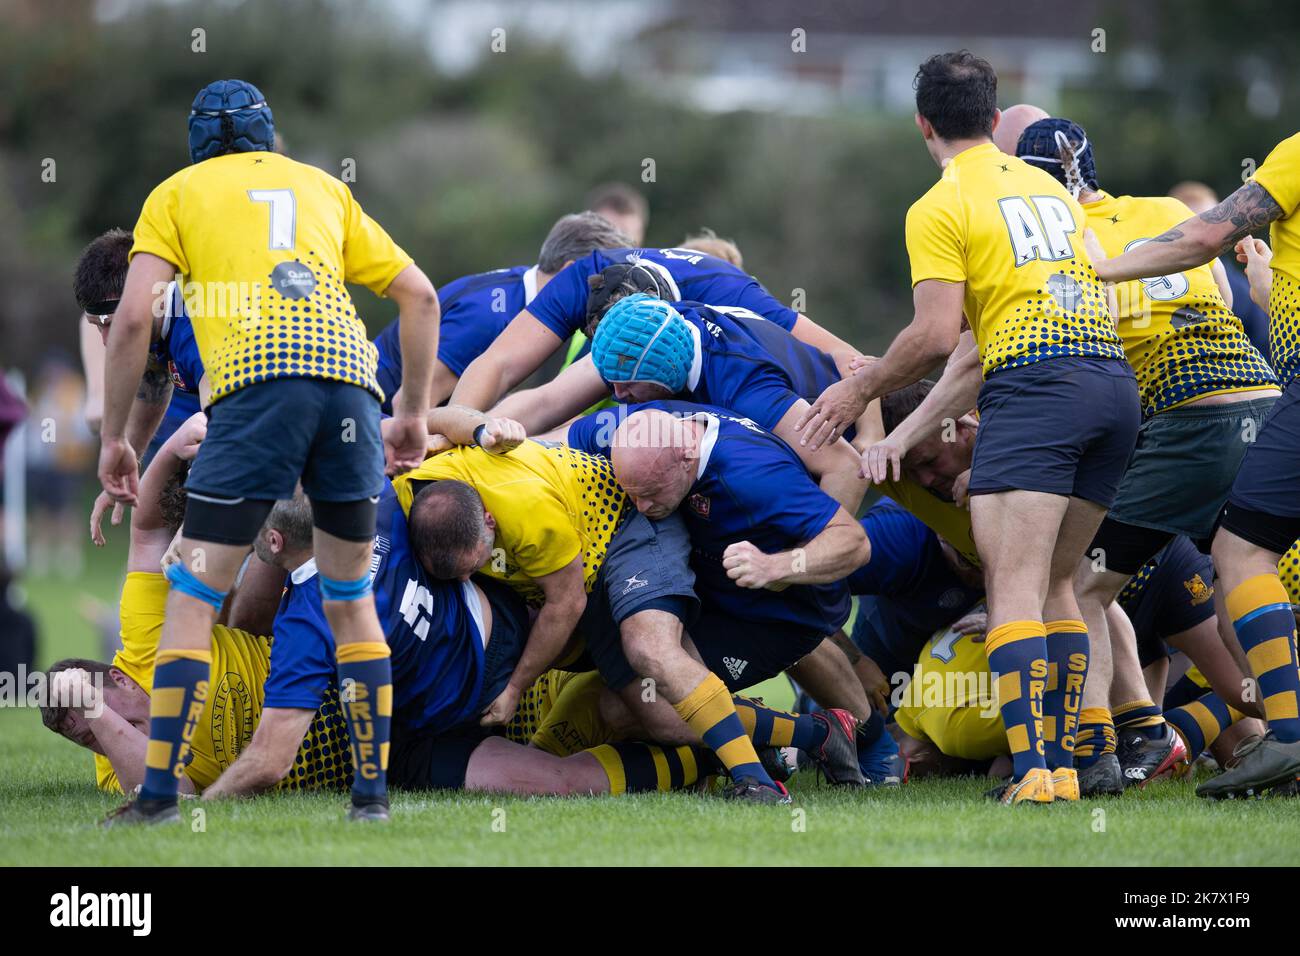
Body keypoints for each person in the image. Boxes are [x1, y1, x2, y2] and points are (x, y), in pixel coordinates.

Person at [96, 79, 439, 825]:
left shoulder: (175, 194)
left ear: (196, 141)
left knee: (191, 592)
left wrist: (114, 437)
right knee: (349, 596)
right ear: (268, 135)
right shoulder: (322, 187)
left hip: (256, 384)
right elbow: (420, 297)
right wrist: (411, 412)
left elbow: (130, 322)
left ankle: (157, 797)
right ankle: (372, 799)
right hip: (352, 386)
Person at [801, 52, 1138, 804]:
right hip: (1112, 388)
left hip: (1040, 391)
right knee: (1059, 580)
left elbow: (931, 334)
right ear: (995, 121)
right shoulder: (1050, 188)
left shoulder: (938, 205)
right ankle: (1083, 758)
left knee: (1013, 582)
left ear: (923, 125)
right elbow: (972, 350)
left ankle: (1038, 774)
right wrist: (901, 430)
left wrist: (861, 387)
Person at [1013, 117, 1279, 784]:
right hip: (1265, 403)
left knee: (1080, 585)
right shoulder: (1166, 208)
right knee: (1243, 582)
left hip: (1192, 427)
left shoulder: (1053, 249)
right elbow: (1218, 296)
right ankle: (1279, 735)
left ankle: (1098, 755)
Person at [1088, 131, 1300, 799]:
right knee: (1241, 566)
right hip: (1267, 395)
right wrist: (1268, 289)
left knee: (1238, 555)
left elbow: (1201, 238)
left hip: (1212, 413)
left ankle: (1277, 736)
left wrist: (1094, 270)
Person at [41, 413, 353, 796]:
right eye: (93, 737)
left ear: (121, 679)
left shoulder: (143, 640)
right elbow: (176, 793)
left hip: (317, 669)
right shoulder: (115, 764)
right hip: (333, 762)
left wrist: (172, 449)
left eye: (103, 716)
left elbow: (147, 532)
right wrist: (96, 711)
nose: (105, 735)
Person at [569, 402, 874, 788]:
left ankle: (812, 740)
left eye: (649, 493)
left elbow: (854, 542)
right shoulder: (650, 426)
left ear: (686, 457)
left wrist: (776, 566)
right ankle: (768, 746)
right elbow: (557, 439)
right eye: (632, 494)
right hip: (717, 599)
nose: (640, 507)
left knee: (650, 711)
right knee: (624, 707)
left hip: (778, 617)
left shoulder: (754, 477)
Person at [506, 292, 872, 511]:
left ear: (666, 375)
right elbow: (549, 403)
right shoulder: (661, 324)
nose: (617, 397)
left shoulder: (747, 387)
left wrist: (809, 560)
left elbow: (845, 467)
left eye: (628, 386)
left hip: (876, 445)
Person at [449, 238, 858, 413]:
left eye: (632, 357)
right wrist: (460, 427)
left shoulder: (729, 293)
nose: (618, 380)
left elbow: (849, 358)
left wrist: (872, 436)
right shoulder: (585, 277)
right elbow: (500, 364)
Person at [371, 212, 631, 412]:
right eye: (603, 284)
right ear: (569, 271)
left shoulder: (516, 290)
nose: (609, 298)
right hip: (366, 426)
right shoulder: (489, 317)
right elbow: (409, 407)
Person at [1168, 180, 1272, 363]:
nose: (1207, 233)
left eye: (1214, 219)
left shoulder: (1244, 287)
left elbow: (1264, 346)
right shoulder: (1156, 283)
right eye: (1196, 224)